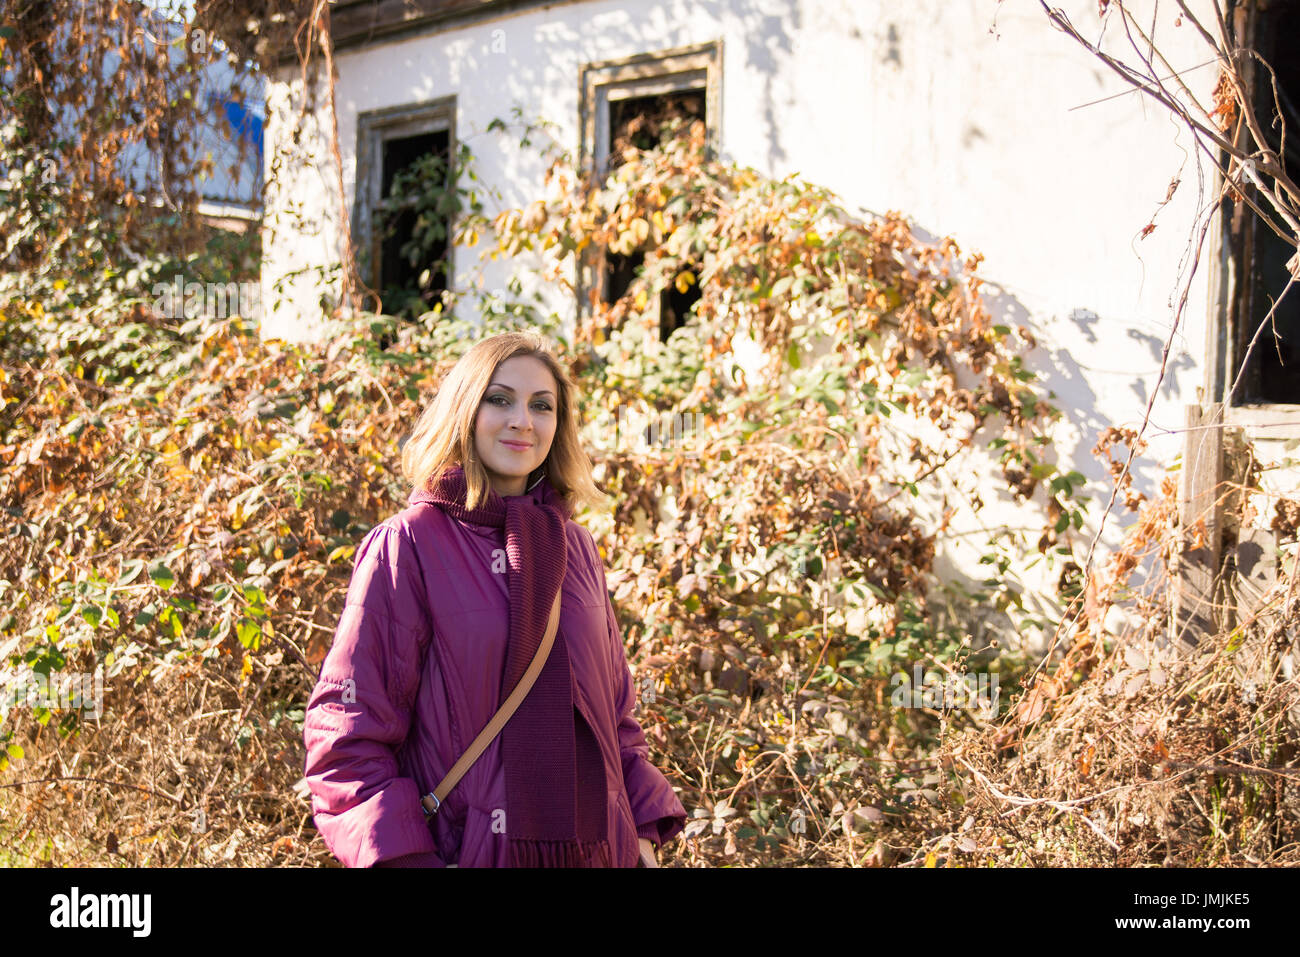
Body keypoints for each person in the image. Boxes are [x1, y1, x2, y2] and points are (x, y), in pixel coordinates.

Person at [302, 331, 686, 867]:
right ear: (465, 409)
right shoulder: (409, 544)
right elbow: (346, 736)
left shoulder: (573, 548)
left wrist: (640, 830)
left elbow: (616, 718)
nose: (521, 421)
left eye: (541, 405)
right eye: (499, 399)